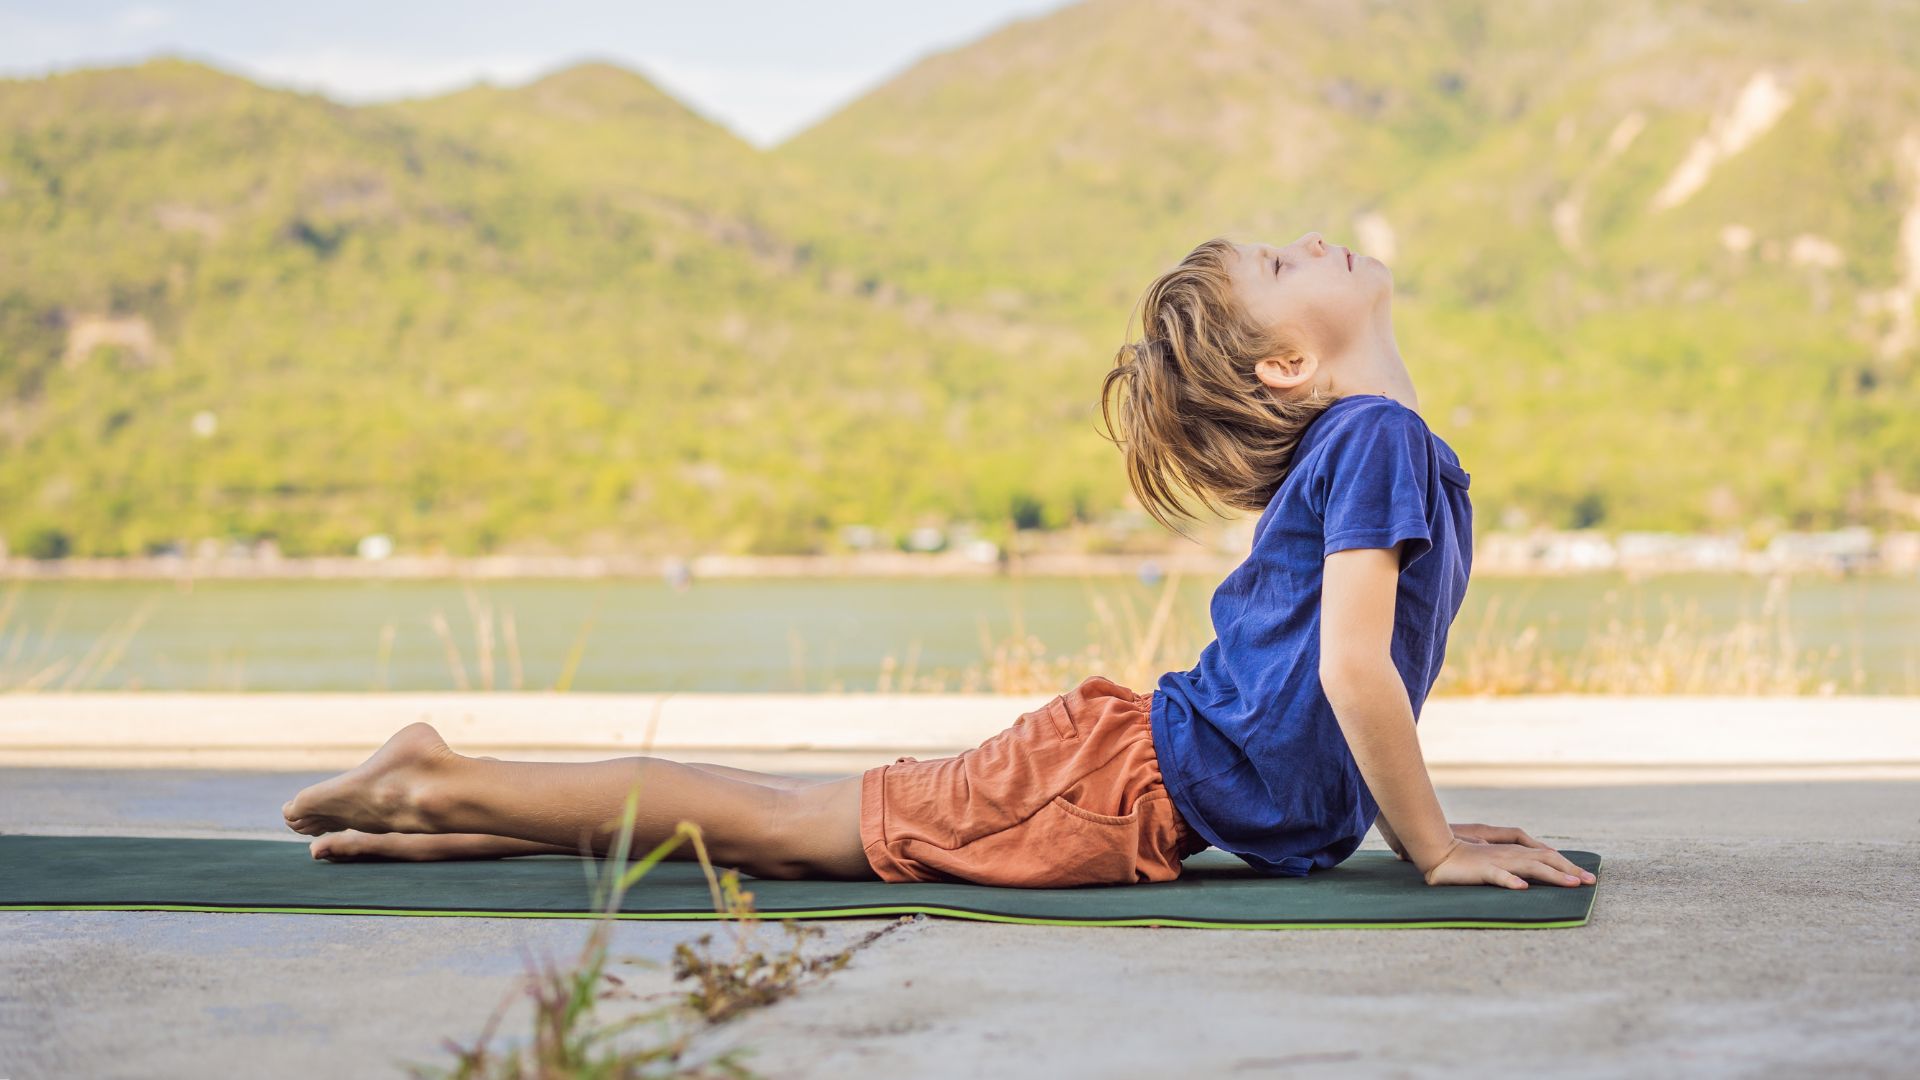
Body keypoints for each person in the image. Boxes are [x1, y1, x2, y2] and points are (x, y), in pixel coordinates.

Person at [282, 230, 1595, 892]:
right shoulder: (1376, 437)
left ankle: (454, 817)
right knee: (795, 833)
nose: (1312, 243)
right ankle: (433, 776)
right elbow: (1356, 669)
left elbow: (1341, 683)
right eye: (1280, 259)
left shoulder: (1377, 441)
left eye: (1283, 249)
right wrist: (1427, 848)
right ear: (1289, 365)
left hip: (1131, 770)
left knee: (798, 835)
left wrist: (1406, 819)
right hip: (1117, 780)